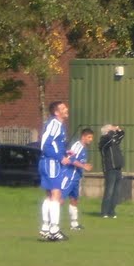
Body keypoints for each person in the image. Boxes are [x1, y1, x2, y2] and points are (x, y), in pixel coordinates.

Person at [38, 100, 70, 241]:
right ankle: (54, 229)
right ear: (57, 112)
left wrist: (65, 153)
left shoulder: (58, 125)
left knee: (50, 196)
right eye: (63, 108)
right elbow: (46, 143)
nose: (66, 109)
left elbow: (54, 144)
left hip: (48, 161)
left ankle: (45, 227)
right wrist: (59, 157)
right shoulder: (55, 124)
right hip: (51, 162)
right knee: (56, 195)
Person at [62, 127, 94, 232]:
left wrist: (83, 166)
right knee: (60, 199)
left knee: (74, 200)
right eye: (89, 137)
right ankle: (50, 223)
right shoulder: (77, 146)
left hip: (76, 178)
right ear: (83, 136)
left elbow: (79, 162)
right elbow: (70, 159)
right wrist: (83, 166)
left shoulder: (84, 148)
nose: (91, 140)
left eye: (91, 137)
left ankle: (74, 224)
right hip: (69, 176)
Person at [98, 124, 126, 218]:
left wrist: (118, 130)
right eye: (110, 130)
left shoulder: (113, 141)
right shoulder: (103, 140)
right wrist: (111, 131)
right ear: (106, 132)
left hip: (117, 167)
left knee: (116, 191)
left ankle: (112, 211)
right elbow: (109, 140)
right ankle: (104, 212)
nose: (112, 131)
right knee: (109, 191)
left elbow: (121, 135)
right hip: (110, 168)